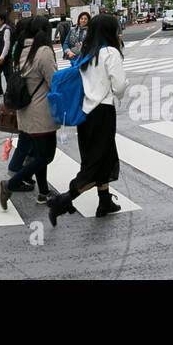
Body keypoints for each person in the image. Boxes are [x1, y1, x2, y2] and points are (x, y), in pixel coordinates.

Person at [48, 14, 128, 226]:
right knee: (98, 162)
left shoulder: (87, 52)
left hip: (86, 112)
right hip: (102, 111)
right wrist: (118, 90)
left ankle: (104, 202)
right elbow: (119, 86)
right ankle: (63, 200)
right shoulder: (110, 52)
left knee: (104, 157)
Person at [0, 15, 60, 208]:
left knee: (38, 155)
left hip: (24, 111)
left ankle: (43, 193)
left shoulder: (21, 50)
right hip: (42, 113)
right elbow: (53, 82)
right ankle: (9, 185)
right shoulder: (43, 52)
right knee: (46, 155)